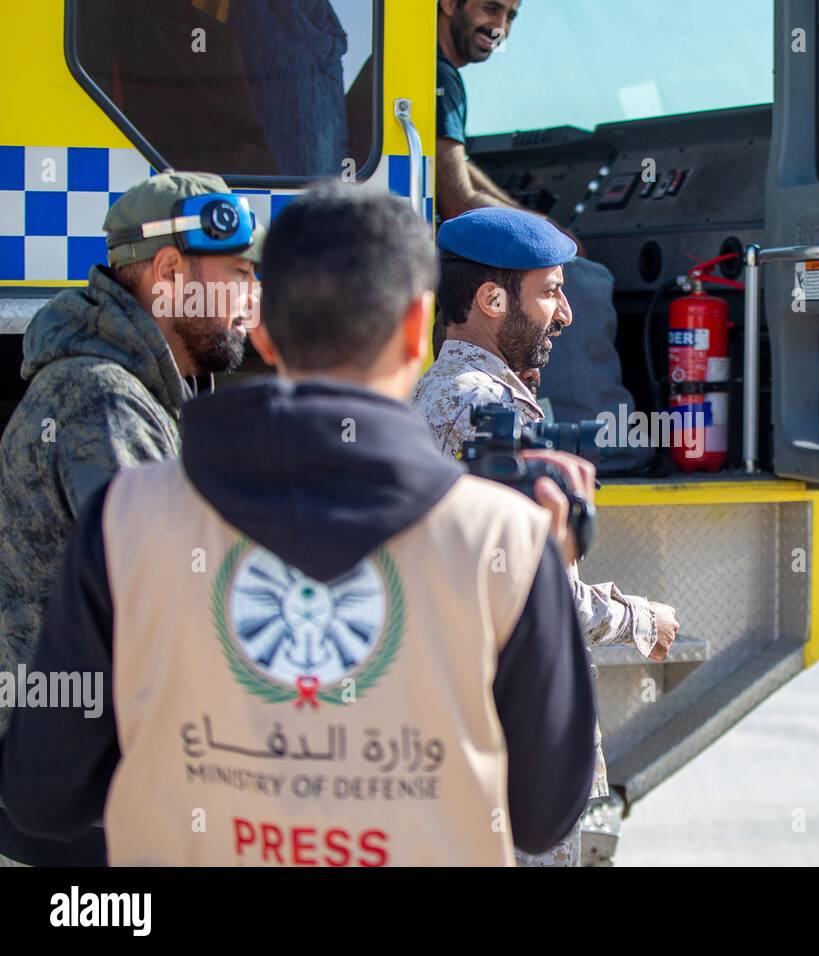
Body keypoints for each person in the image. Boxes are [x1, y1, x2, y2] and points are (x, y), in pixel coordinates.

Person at [0, 185, 597, 867]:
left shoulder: (128, 516)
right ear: (415, 329)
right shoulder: (509, 540)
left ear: (265, 335)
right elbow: (544, 817)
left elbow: (42, 796)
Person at [0, 171, 262, 866]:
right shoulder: (102, 400)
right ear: (171, 272)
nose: (250, 302)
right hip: (85, 819)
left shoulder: (141, 396)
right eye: (237, 274)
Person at [414, 206, 679, 866]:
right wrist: (635, 619)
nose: (564, 314)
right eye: (552, 291)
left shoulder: (436, 391)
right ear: (491, 299)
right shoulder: (486, 409)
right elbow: (528, 590)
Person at [435, 0, 651, 473]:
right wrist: (544, 233)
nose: (500, 26)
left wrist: (537, 224)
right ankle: (604, 445)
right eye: (491, 8)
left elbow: (460, 170)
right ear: (448, 4)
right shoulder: (436, 74)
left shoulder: (433, 73)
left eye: (511, 16)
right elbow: (456, 197)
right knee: (587, 280)